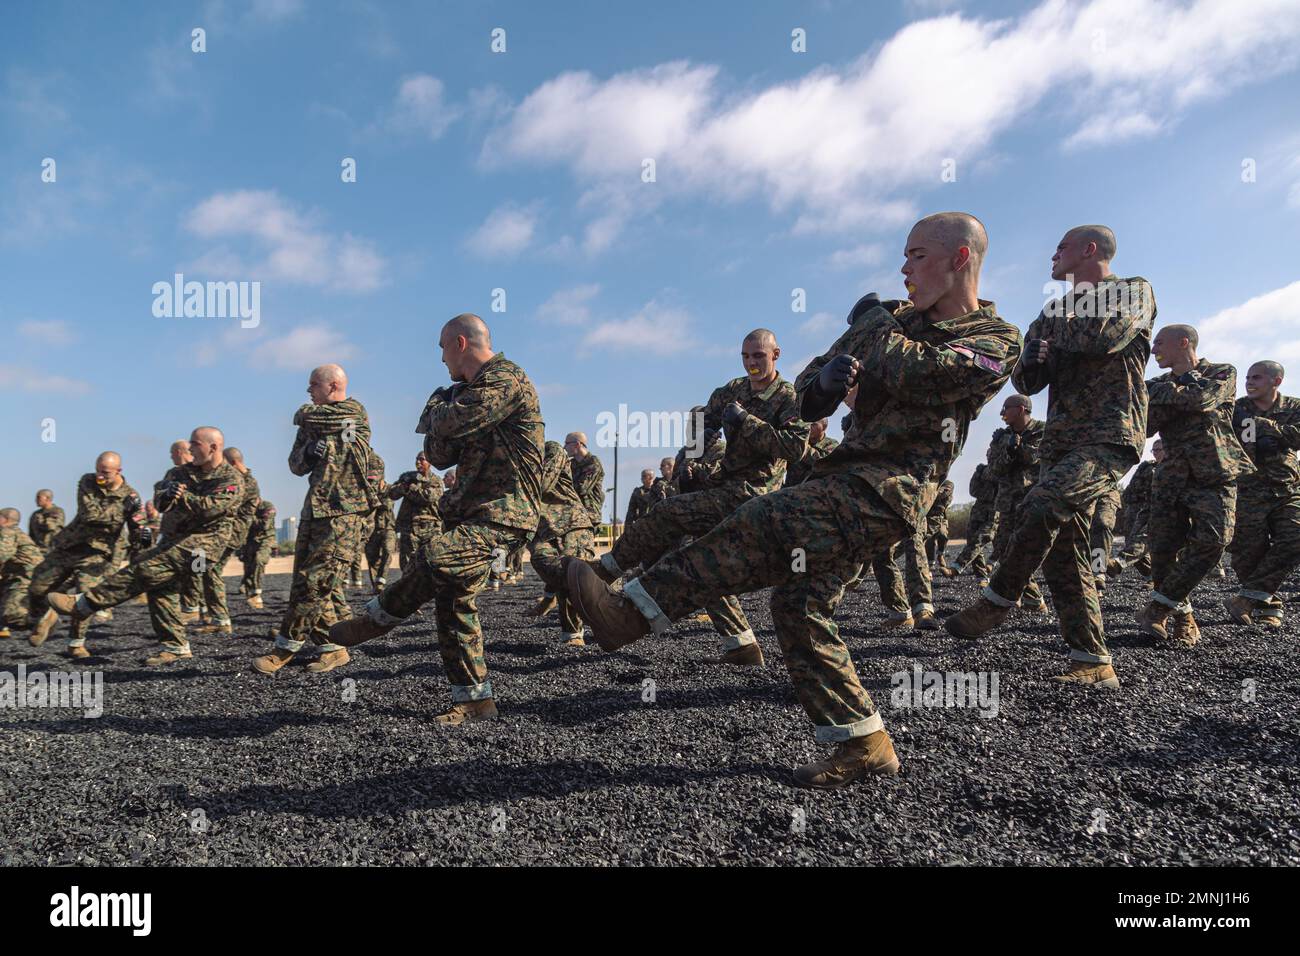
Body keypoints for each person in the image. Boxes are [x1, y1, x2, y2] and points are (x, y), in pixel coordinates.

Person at [568, 212, 1020, 788]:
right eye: (904, 257)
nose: (904, 269)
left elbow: (926, 374)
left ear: (960, 259)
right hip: (845, 476)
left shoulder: (995, 339)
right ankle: (862, 741)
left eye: (917, 256)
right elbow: (808, 393)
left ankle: (626, 614)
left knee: (761, 516)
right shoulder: (894, 321)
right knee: (798, 606)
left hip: (889, 491)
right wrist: (825, 385)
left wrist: (872, 326)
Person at [946, 224, 1155, 689]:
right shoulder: (1054, 310)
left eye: (1060, 248)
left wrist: (1050, 338)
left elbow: (1105, 335)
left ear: (1089, 249)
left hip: (1110, 434)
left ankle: (1000, 597)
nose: (1052, 257)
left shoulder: (1133, 291)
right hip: (1060, 441)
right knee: (1066, 551)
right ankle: (1093, 660)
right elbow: (1026, 380)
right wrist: (1034, 359)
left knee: (1042, 503)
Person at [326, 314, 545, 725]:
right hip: (470, 513)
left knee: (434, 557)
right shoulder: (467, 393)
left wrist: (437, 405)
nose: (441, 359)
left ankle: (376, 618)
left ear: (460, 343)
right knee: (453, 603)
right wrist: (444, 411)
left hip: (505, 515)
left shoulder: (506, 379)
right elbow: (441, 453)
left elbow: (451, 422)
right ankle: (475, 700)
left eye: (443, 349)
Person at [583, 329, 811, 666]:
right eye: (746, 356)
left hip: (755, 494)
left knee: (668, 513)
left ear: (775, 354)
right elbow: (705, 419)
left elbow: (796, 447)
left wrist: (746, 422)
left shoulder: (788, 397)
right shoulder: (734, 390)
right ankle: (741, 645)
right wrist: (696, 457)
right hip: (724, 486)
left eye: (758, 356)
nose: (751, 363)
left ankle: (606, 570)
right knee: (706, 563)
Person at [44, 430, 240, 665]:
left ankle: (86, 603)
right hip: (173, 540)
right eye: (189, 444)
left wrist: (183, 495)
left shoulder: (230, 478)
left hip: (204, 545)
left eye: (195, 444)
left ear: (214, 447)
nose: (190, 449)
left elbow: (210, 509)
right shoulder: (178, 472)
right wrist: (166, 496)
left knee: (146, 568)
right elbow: (160, 503)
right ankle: (175, 646)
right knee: (159, 588)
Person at [252, 364, 378, 675]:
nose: (308, 391)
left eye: (313, 385)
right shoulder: (314, 422)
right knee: (316, 584)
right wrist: (310, 449)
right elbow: (295, 465)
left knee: (314, 582)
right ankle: (333, 648)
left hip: (345, 511)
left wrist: (303, 415)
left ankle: (285, 648)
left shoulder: (353, 412)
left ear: (333, 385)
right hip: (315, 510)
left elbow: (310, 415)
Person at [1136, 325, 1251, 646]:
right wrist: (1177, 393)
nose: (1154, 348)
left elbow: (1204, 397)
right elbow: (1144, 425)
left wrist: (1171, 395)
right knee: (1163, 551)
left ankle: (1159, 606)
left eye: (1159, 342)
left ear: (1182, 342)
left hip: (1215, 471)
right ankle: (1182, 619)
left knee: (1215, 541)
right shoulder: (1155, 383)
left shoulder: (1222, 371)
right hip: (1171, 476)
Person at [1224, 360, 1300, 629]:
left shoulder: (1294, 407)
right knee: (1247, 553)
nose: (1249, 382)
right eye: (1247, 378)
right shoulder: (1236, 409)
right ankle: (1266, 606)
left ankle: (1247, 598)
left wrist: (1270, 428)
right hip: (1247, 489)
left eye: (1256, 377)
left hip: (1286, 487)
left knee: (1294, 538)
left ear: (1276, 381)